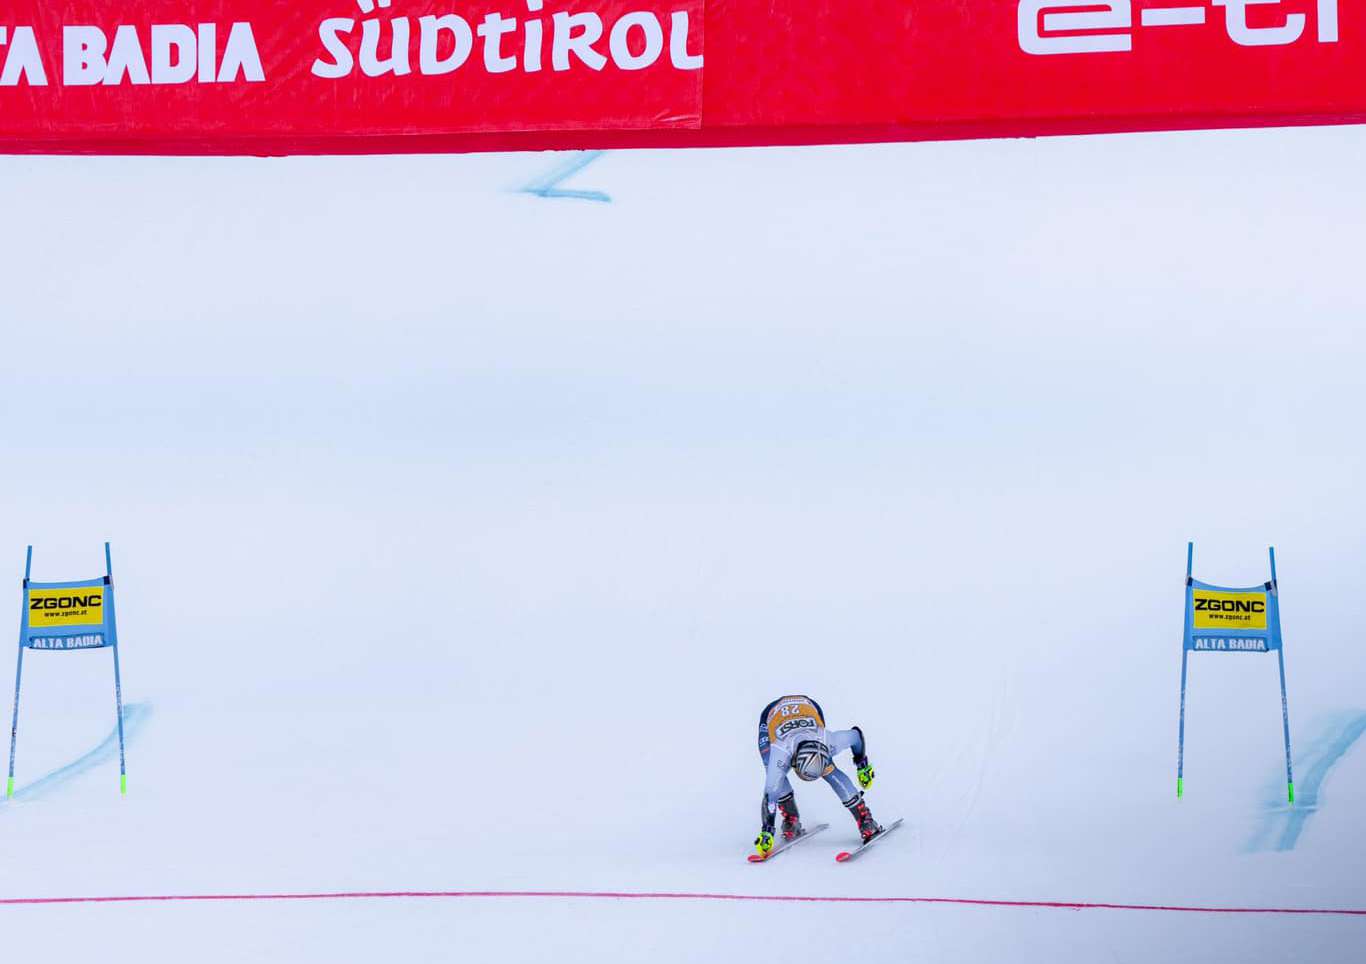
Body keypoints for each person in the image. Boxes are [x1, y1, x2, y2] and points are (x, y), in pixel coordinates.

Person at [754, 694, 881, 856]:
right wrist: (767, 830)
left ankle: (864, 819)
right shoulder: (780, 754)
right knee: (773, 771)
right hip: (772, 716)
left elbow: (856, 736)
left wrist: (862, 766)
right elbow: (770, 793)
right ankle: (791, 818)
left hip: (808, 708)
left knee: (828, 770)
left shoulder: (829, 740)